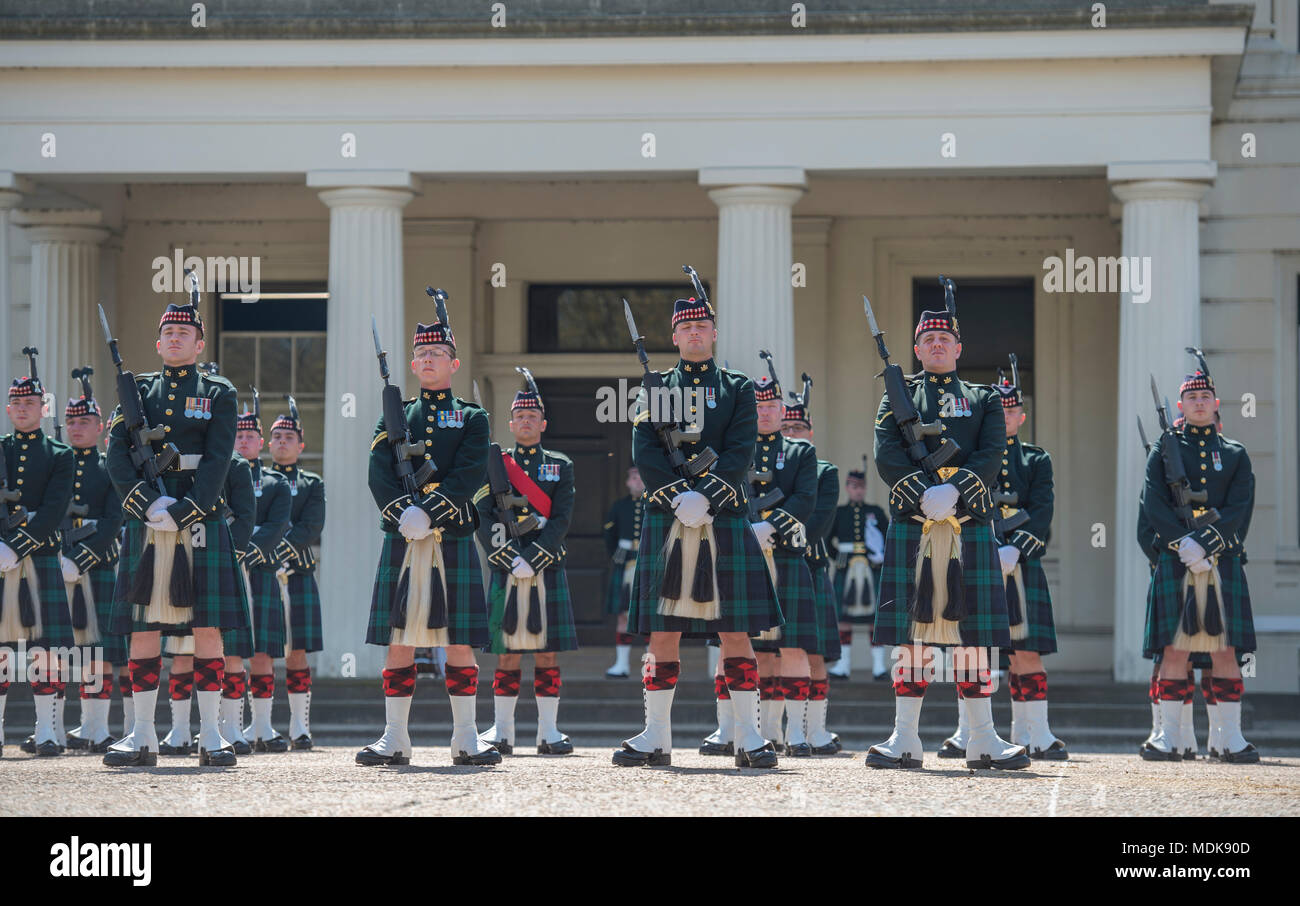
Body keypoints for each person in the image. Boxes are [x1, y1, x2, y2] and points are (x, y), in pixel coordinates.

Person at [612, 285, 782, 770]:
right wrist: (675, 497)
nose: (693, 333)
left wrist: (706, 495)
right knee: (662, 632)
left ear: (713, 332)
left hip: (722, 515)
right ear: (674, 335)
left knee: (734, 630)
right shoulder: (658, 387)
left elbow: (741, 446)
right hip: (669, 519)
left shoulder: (738, 387)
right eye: (685, 327)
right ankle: (656, 734)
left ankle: (747, 736)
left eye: (701, 326)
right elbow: (645, 449)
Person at [867, 299, 1029, 770]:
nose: (937, 346)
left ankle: (983, 738)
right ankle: (905, 739)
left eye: (945, 340)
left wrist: (954, 491)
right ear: (917, 349)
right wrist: (923, 493)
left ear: (958, 348)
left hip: (967, 524)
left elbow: (992, 453)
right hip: (916, 525)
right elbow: (887, 453)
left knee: (973, 636)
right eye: (928, 340)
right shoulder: (895, 397)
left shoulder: (984, 399)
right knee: (912, 636)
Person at [103, 290, 245, 767]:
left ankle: (211, 735)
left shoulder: (218, 393)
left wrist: (185, 509)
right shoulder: (136, 390)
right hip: (147, 516)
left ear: (199, 344)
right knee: (143, 627)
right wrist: (146, 503)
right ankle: (142, 735)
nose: (176, 338)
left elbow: (220, 458)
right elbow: (117, 455)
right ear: (157, 343)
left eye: (185, 332)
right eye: (168, 332)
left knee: (207, 627)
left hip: (197, 517)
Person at [357, 299, 500, 767]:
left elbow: (470, 472)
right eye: (421, 355)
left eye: (437, 353)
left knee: (458, 639)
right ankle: (394, 737)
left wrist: (431, 512)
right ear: (414, 364)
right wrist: (404, 513)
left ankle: (466, 737)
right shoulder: (395, 416)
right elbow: (379, 471)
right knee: (401, 638)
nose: (428, 360)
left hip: (451, 533)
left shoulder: (473, 418)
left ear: (453, 363)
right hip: (404, 535)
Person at [938, 358, 1065, 760]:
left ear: (1021, 415)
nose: (1006, 416)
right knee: (971, 648)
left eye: (1012, 410)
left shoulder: (1036, 460)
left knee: (1026, 652)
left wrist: (1017, 548)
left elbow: (1042, 510)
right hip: (976, 558)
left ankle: (1036, 733)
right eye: (1001, 410)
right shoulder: (974, 456)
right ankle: (967, 732)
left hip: (1020, 566)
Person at [1139, 352, 1257, 763]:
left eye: (1206, 396)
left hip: (1222, 560)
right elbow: (1152, 504)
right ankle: (1169, 737)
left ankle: (1231, 739)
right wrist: (1182, 544)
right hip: (1177, 559)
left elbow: (1241, 508)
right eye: (1192, 398)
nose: (1200, 403)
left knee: (1225, 650)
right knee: (1176, 648)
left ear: (1216, 403)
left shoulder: (1237, 454)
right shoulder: (1164, 450)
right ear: (1180, 406)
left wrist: (1206, 543)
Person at [475, 372, 578, 756]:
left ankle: (548, 732)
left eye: (533, 415)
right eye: (520, 416)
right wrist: (507, 558)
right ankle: (503, 732)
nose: (526, 421)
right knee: (507, 651)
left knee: (546, 651)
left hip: (546, 567)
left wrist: (534, 558)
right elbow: (483, 516)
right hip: (507, 566)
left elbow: (564, 518)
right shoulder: (495, 464)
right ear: (510, 422)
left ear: (544, 423)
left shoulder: (560, 465)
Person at [0, 349, 75, 757]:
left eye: (31, 403)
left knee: (47, 648)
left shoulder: (61, 456)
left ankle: (46, 731)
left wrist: (17, 546)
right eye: (17, 403)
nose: (24, 409)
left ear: (43, 408)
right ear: (9, 409)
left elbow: (54, 508)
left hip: (40, 556)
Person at [60, 368, 127, 754]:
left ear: (101, 427)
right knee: (69, 649)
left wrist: (82, 559)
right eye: (71, 422)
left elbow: (113, 519)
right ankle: (76, 724)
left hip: (97, 565)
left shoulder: (108, 467)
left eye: (85, 421)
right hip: (60, 564)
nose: (77, 428)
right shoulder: (58, 465)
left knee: (99, 649)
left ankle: (100, 728)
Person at [781, 386, 843, 755]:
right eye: (787, 427)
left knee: (813, 653)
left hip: (811, 563)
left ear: (811, 431)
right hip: (775, 564)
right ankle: (772, 728)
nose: (792, 433)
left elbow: (818, 521)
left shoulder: (823, 471)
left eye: (799, 427)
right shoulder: (767, 462)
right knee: (770, 652)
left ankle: (815, 730)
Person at [229, 391, 292, 752]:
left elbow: (277, 524)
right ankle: (231, 726)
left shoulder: (275, 483)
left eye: (250, 436)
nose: (244, 440)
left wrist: (246, 548)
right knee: (230, 653)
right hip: (228, 572)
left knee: (263, 653)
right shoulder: (221, 477)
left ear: (260, 442)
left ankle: (263, 727)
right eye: (238, 435)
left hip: (261, 571)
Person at [268, 397, 327, 750]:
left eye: (288, 438)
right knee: (258, 652)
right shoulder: (251, 477)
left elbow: (312, 525)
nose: (282, 442)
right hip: (263, 575)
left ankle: (299, 727)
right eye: (276, 437)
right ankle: (255, 726)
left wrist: (279, 550)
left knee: (297, 652)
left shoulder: (311, 483)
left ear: (301, 444)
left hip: (298, 573)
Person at [827, 463, 888, 680]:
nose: (858, 490)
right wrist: (839, 558)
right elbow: (826, 540)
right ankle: (842, 666)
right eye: (853, 486)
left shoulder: (876, 512)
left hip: (871, 568)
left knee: (875, 618)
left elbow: (888, 537)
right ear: (847, 487)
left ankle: (879, 667)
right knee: (843, 617)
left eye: (861, 486)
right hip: (847, 568)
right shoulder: (839, 513)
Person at [602, 465, 644, 678]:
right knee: (622, 616)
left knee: (652, 617)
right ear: (627, 482)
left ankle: (653, 665)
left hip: (647, 563)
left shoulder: (654, 505)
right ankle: (622, 665)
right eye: (633, 477)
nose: (637, 481)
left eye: (640, 477)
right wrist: (617, 556)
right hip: (625, 562)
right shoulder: (619, 506)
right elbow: (610, 536)